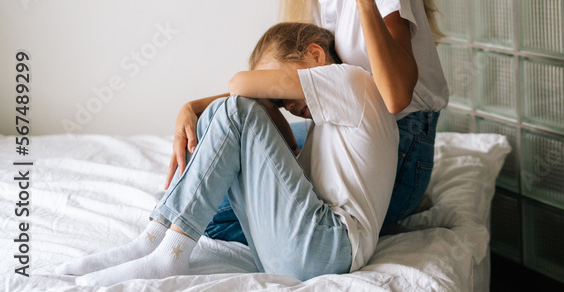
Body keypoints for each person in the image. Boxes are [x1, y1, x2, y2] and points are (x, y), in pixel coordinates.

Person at [202, 0, 449, 244]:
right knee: (217, 191)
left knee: (220, 214)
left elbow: (395, 98)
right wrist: (196, 108)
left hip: (400, 145)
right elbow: (295, 84)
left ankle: (399, 202)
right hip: (343, 132)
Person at [53, 21, 399, 285]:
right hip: (291, 253)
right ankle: (155, 240)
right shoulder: (325, 126)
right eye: (278, 101)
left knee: (233, 110)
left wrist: (198, 104)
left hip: (330, 247)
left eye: (275, 89)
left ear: (315, 54)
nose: (286, 106)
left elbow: (238, 87)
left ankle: (166, 251)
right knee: (217, 118)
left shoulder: (355, 83)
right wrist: (200, 111)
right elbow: (270, 139)